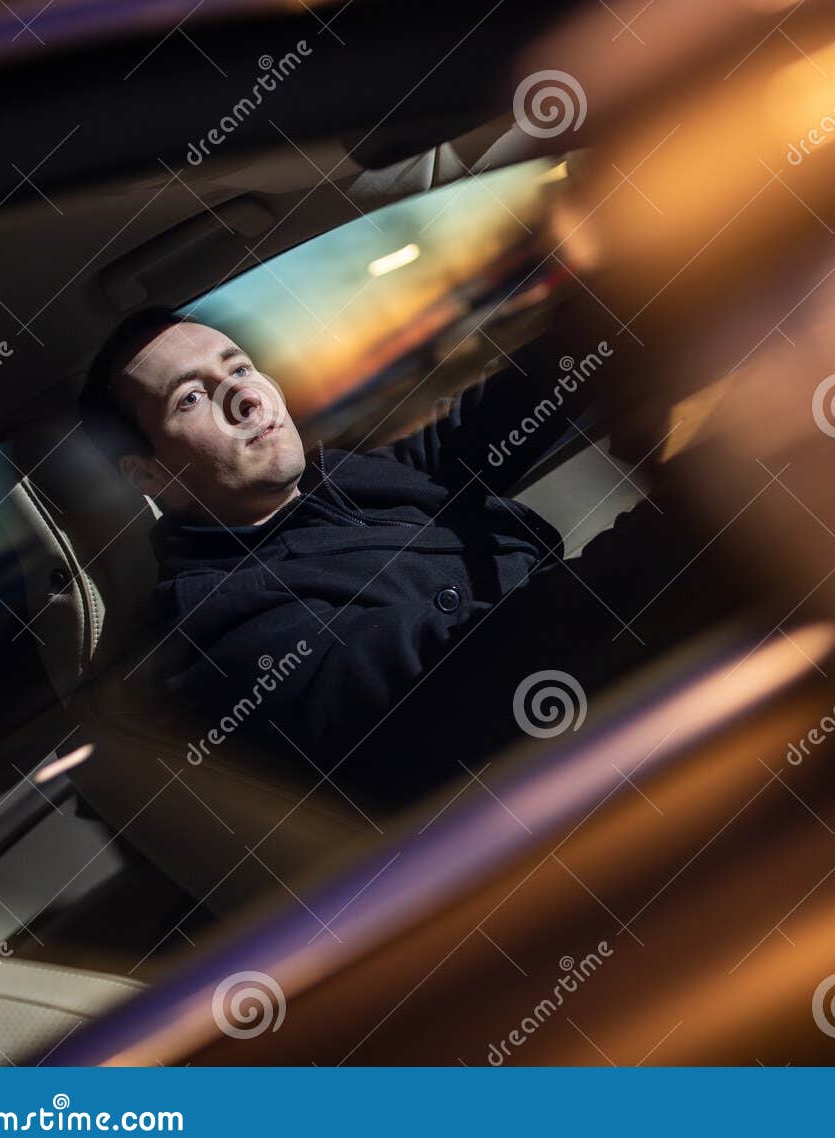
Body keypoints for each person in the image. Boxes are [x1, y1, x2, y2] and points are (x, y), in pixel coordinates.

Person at [80, 309, 737, 800]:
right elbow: (497, 661)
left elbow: (477, 428)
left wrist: (620, 313)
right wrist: (716, 498)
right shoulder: (229, 637)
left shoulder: (328, 484)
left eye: (240, 367)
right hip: (586, 782)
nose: (247, 397)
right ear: (151, 476)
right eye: (190, 397)